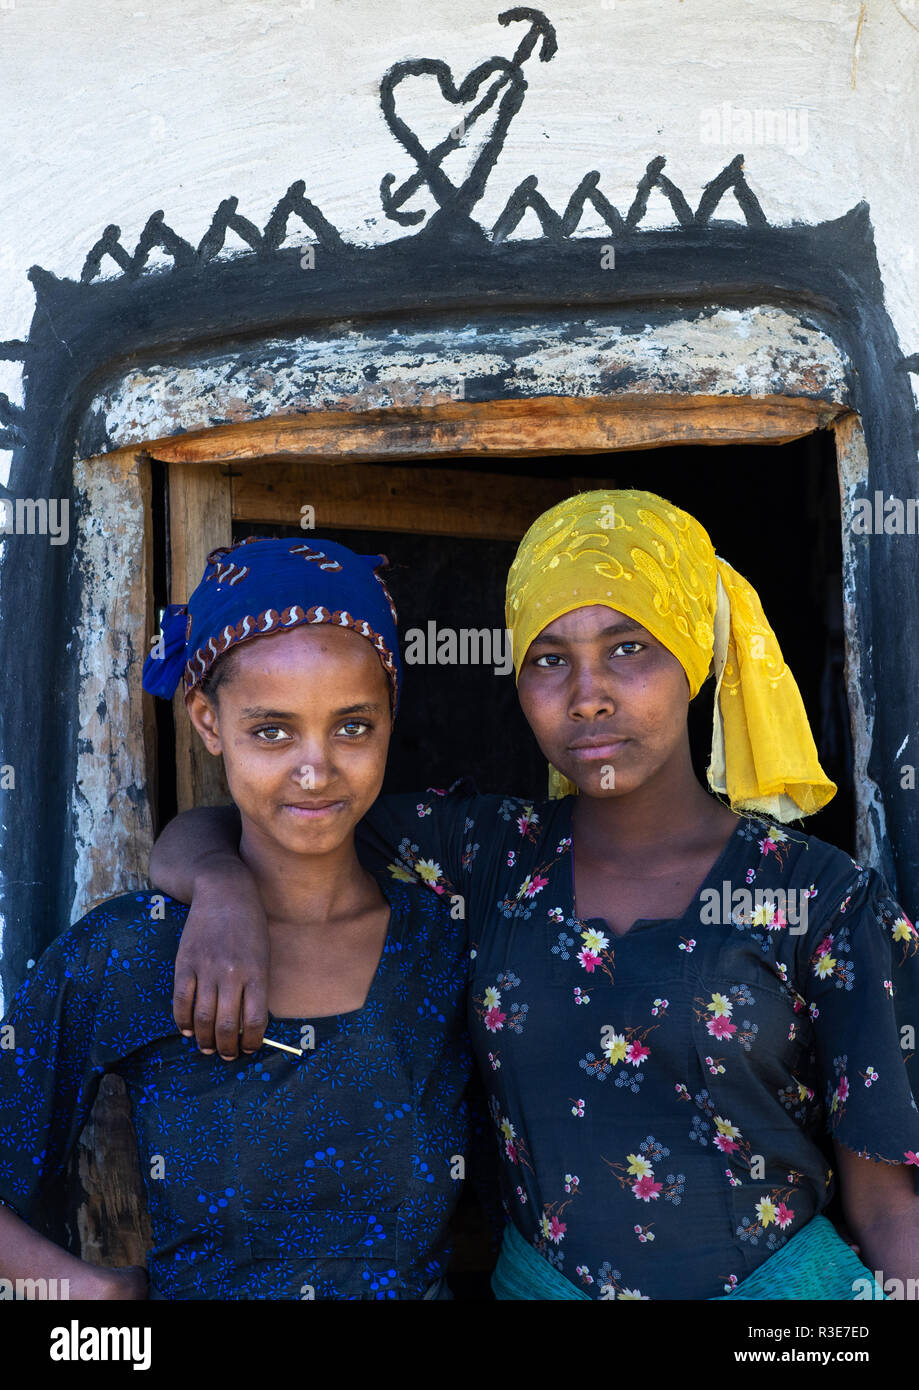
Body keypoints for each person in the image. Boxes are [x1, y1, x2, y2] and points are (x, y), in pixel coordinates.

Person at [151, 492, 919, 1300]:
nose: (587, 694)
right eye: (548, 658)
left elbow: (887, 1206)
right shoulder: (487, 857)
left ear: (696, 655)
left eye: (628, 648)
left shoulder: (819, 898)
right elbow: (257, 819)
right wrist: (222, 890)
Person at [0, 536, 472, 1300]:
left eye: (353, 725)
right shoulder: (134, 952)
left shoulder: (441, 944)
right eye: (271, 730)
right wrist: (94, 1296)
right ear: (208, 722)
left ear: (391, 717)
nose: (314, 768)